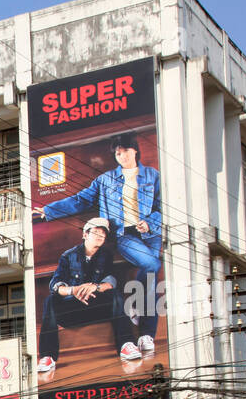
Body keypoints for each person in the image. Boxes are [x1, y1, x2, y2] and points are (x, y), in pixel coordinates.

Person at [35, 133, 162, 346]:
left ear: (135, 150)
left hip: (151, 233)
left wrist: (149, 222)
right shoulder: (105, 180)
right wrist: (49, 210)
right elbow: (80, 200)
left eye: (125, 151)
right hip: (124, 234)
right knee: (152, 265)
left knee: (151, 276)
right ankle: (140, 316)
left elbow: (163, 204)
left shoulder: (152, 175)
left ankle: (146, 335)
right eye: (118, 154)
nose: (122, 156)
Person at [37, 218, 136, 373]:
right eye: (96, 232)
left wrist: (95, 287)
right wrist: (74, 290)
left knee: (114, 295)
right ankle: (47, 356)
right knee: (50, 300)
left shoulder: (106, 255)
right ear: (85, 235)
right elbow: (55, 286)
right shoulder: (68, 256)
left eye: (103, 233)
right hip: (72, 312)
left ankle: (126, 344)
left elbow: (111, 281)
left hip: (97, 309)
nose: (100, 236)